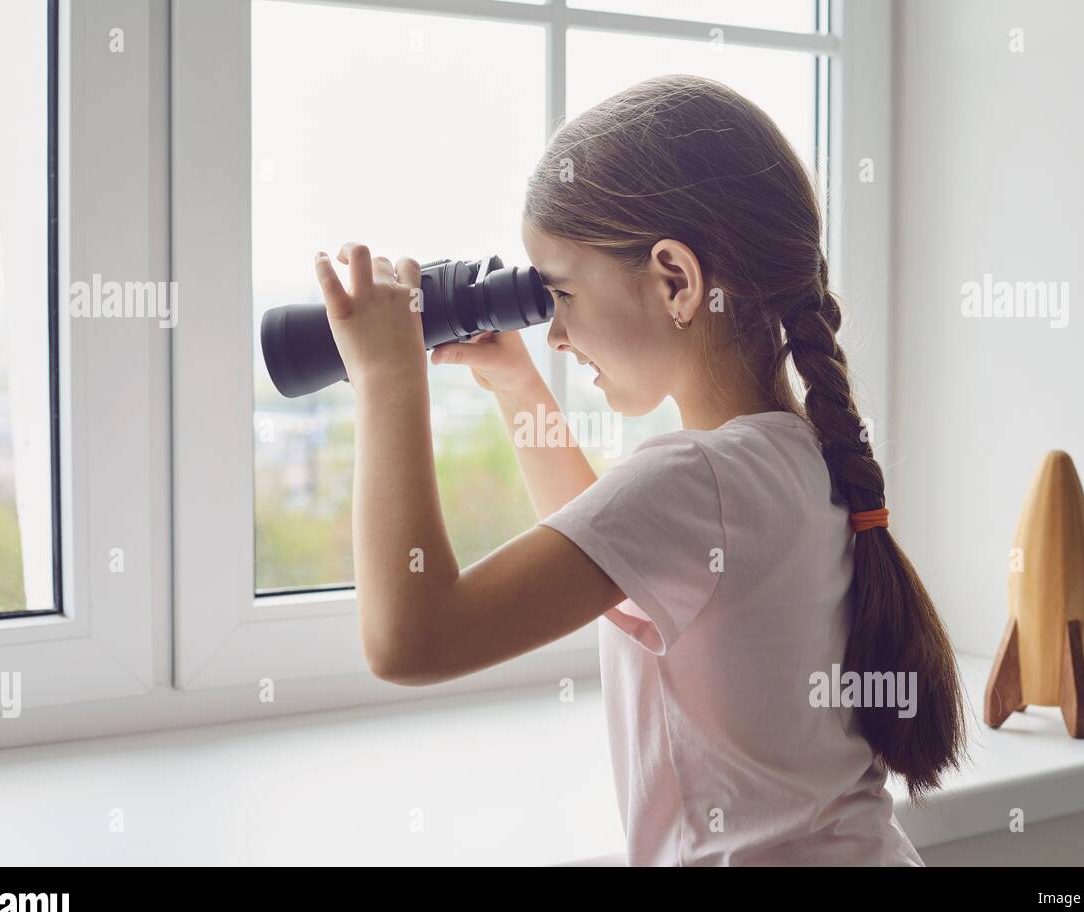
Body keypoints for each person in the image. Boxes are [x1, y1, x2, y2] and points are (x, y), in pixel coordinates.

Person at [312, 74, 967, 866]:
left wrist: (387, 379)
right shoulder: (800, 454)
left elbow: (410, 639)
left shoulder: (698, 477)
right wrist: (517, 388)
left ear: (676, 281)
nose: (554, 334)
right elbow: (620, 558)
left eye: (558, 292)